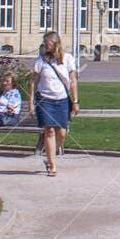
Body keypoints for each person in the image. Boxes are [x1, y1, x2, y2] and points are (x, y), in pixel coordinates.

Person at [30, 32, 78, 177]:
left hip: (62, 99)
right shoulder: (41, 60)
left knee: (62, 133)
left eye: (47, 43)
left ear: (55, 43)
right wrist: (31, 101)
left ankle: (50, 156)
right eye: (44, 44)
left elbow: (73, 81)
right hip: (45, 99)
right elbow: (33, 82)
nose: (45, 46)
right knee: (49, 131)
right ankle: (52, 164)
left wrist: (75, 101)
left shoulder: (68, 58)